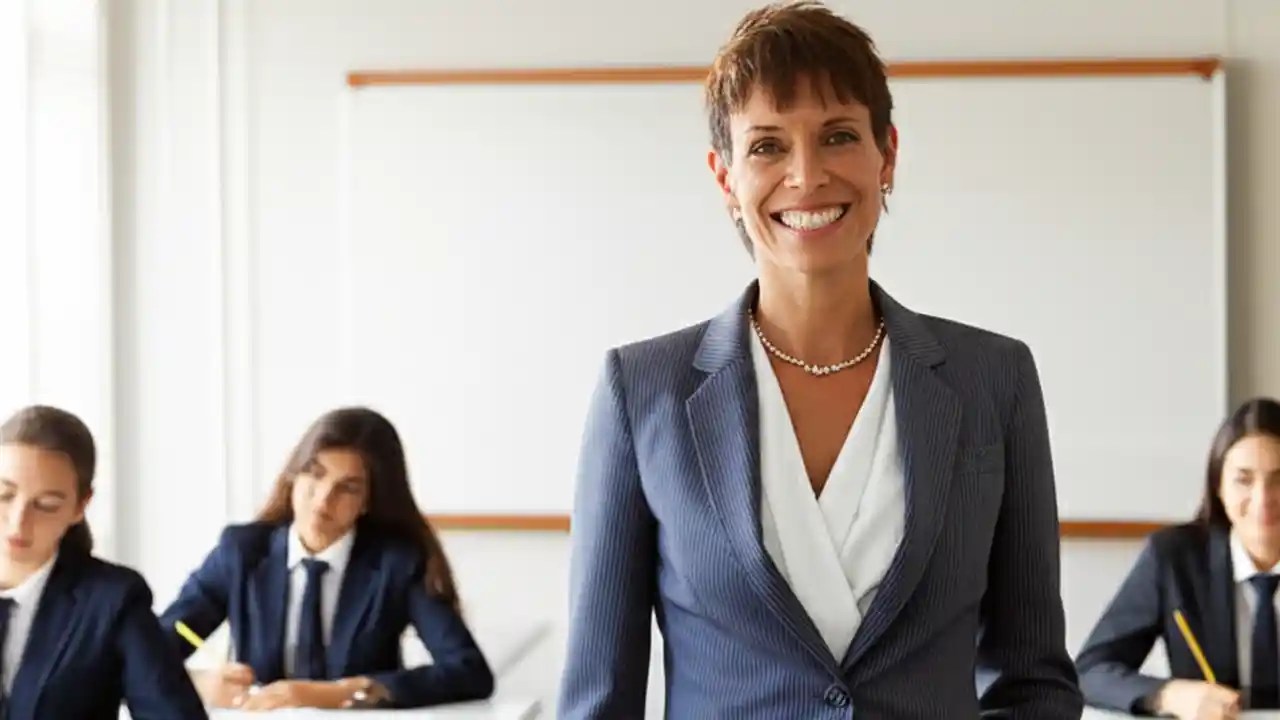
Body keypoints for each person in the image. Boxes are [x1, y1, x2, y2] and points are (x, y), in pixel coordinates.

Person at [556, 2, 1083, 717]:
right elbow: (599, 697)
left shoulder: (994, 379)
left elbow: (1032, 681)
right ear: (725, 177)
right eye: (768, 146)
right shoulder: (642, 391)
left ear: (886, 155)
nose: (806, 176)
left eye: (837, 136)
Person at [158, 406, 494, 710]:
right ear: (294, 475)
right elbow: (153, 649)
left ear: (368, 502)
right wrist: (200, 684)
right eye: (315, 475)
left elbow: (468, 671)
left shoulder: (397, 563)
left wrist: (338, 693)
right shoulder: (242, 552)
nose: (322, 500)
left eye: (347, 488)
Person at [1076, 397, 1280, 719]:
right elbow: (1090, 672)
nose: (1263, 499)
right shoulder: (1173, 558)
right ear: (1219, 488)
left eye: (1279, 478)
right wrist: (1167, 696)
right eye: (1244, 479)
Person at [0, 405, 208, 719]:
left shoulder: (113, 601)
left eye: (46, 505)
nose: (18, 523)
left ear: (80, 506)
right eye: (4, 495)